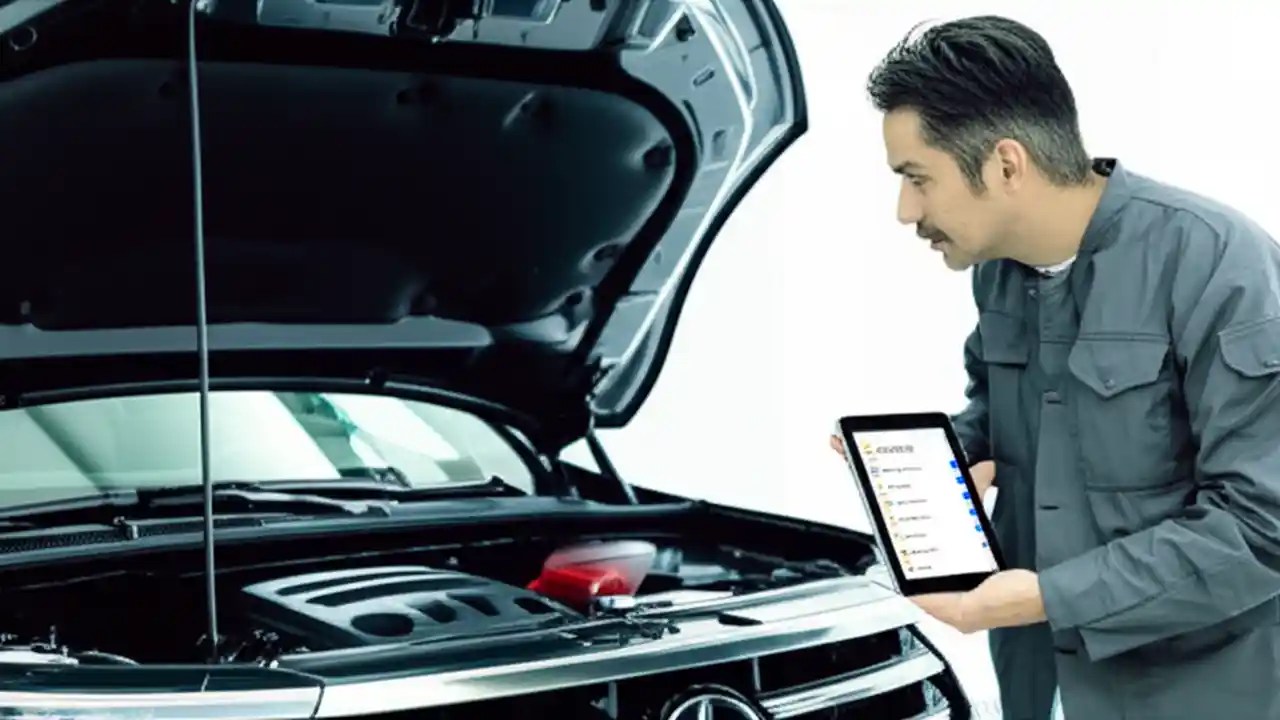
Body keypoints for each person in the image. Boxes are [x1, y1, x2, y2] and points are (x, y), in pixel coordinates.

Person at [829, 14, 1280, 720]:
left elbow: (1264, 527)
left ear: (1006, 165)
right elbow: (1014, 411)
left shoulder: (1218, 262)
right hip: (1039, 685)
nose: (904, 210)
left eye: (918, 178)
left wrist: (1047, 596)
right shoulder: (998, 274)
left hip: (1195, 692)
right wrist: (935, 456)